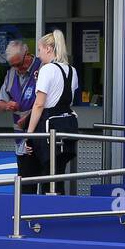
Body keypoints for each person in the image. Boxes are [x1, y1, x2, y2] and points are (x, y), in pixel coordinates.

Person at [26, 30, 81, 196]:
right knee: (58, 174)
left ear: (49, 49)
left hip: (48, 126)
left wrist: (29, 134)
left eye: (40, 50)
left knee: (45, 174)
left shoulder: (47, 69)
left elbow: (39, 104)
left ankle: (44, 211)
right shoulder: (72, 71)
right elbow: (67, 99)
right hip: (67, 127)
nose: (39, 55)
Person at [0, 40, 43, 190]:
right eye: (13, 65)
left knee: (47, 182)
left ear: (27, 56)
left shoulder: (43, 69)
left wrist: (28, 117)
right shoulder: (11, 74)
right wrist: (7, 105)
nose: (17, 68)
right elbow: (0, 103)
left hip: (42, 135)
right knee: (26, 183)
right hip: (21, 139)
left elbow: (46, 102)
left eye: (18, 64)